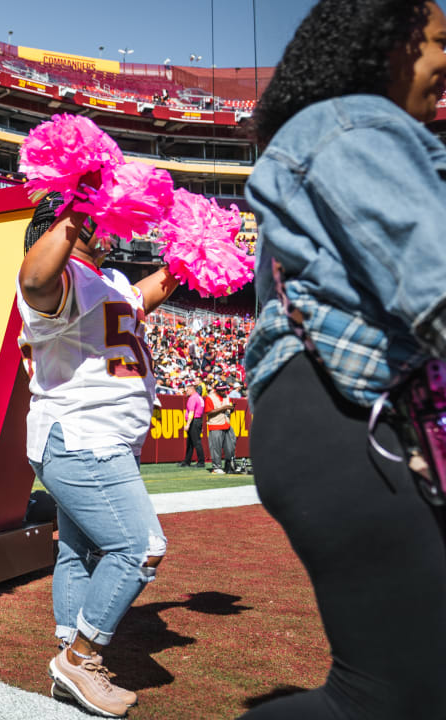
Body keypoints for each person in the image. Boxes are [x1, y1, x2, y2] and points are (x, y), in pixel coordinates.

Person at [240, 1, 446, 717]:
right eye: (439, 43)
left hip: (331, 417)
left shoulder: (332, 132)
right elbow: (437, 281)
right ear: (390, 43)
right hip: (346, 420)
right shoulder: (354, 123)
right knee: (395, 697)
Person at [17, 191, 177, 718]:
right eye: (94, 218)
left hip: (102, 439)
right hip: (82, 438)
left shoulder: (109, 282)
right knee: (140, 546)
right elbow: (34, 280)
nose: (109, 225)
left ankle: (68, 651)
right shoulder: (58, 277)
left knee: (80, 553)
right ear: (69, 226)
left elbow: (148, 293)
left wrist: (194, 253)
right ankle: (81, 659)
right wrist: (76, 209)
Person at [203, 382, 235, 474]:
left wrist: (231, 408)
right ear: (217, 390)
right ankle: (216, 467)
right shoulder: (210, 397)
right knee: (215, 448)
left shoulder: (227, 397)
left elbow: (229, 410)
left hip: (227, 424)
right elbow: (208, 412)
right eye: (222, 390)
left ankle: (229, 466)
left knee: (230, 447)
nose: (224, 391)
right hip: (215, 424)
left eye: (225, 389)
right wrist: (224, 407)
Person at [177, 383, 205, 468]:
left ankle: (201, 462)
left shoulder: (193, 398)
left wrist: (188, 424)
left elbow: (191, 412)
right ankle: (187, 461)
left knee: (196, 442)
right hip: (198, 420)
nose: (186, 392)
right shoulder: (199, 398)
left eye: (187, 390)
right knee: (190, 442)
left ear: (192, 389)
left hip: (194, 421)